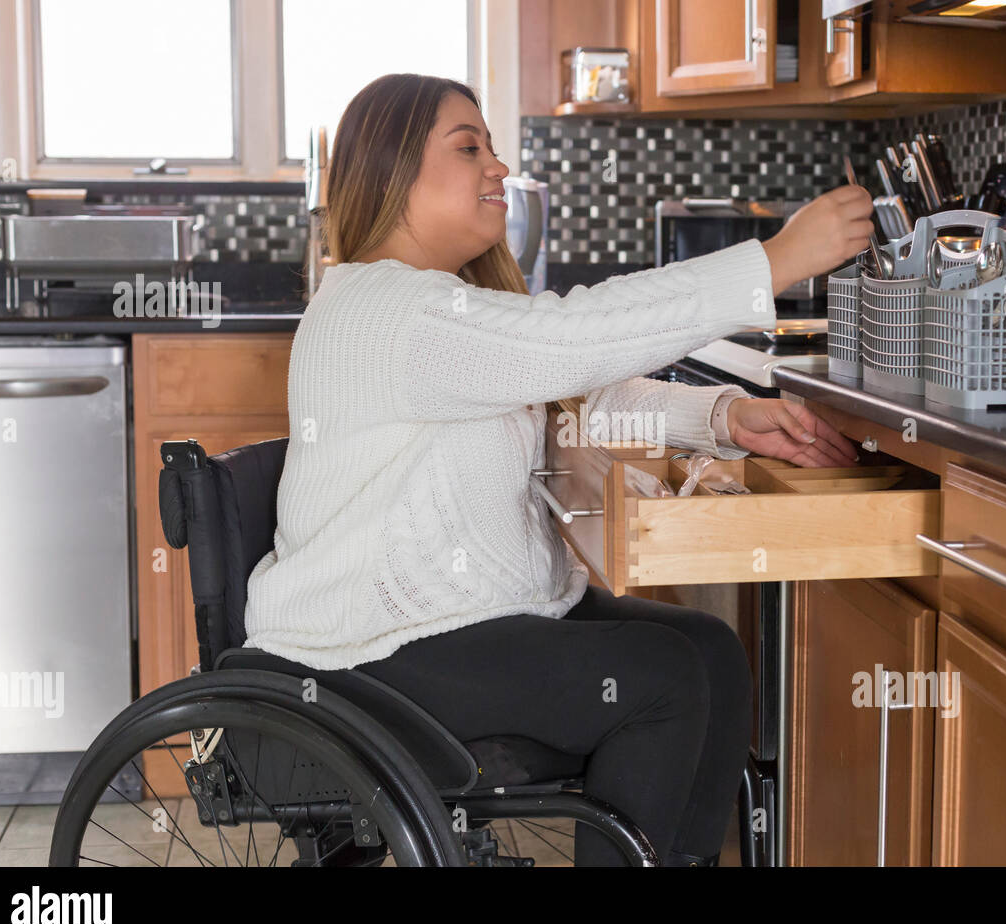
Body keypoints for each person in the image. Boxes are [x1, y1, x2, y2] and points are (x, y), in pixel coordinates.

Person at [244, 73, 874, 866]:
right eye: (468, 147)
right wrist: (775, 260)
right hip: (374, 648)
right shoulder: (391, 312)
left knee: (710, 651)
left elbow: (575, 396)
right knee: (663, 682)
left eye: (493, 147)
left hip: (462, 618)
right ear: (392, 171)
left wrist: (723, 418)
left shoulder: (433, 304)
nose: (498, 167)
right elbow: (575, 338)